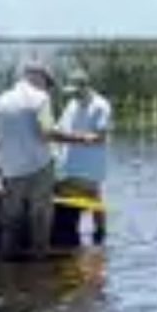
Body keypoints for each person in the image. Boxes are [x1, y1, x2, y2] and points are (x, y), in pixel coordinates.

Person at [0, 62, 99, 260]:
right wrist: (82, 138)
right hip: (38, 170)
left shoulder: (0, 101)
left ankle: (6, 272)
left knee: (9, 226)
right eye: (47, 82)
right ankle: (39, 273)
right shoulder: (41, 99)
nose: (47, 87)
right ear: (38, 77)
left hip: (11, 172)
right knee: (40, 224)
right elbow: (48, 133)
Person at [55, 69, 113, 245]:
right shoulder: (72, 104)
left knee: (88, 204)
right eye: (71, 92)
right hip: (68, 170)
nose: (73, 95)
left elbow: (100, 137)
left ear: (85, 87)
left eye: (75, 92)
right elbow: (59, 129)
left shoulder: (101, 106)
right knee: (79, 210)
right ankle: (91, 243)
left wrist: (75, 138)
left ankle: (97, 242)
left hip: (88, 171)